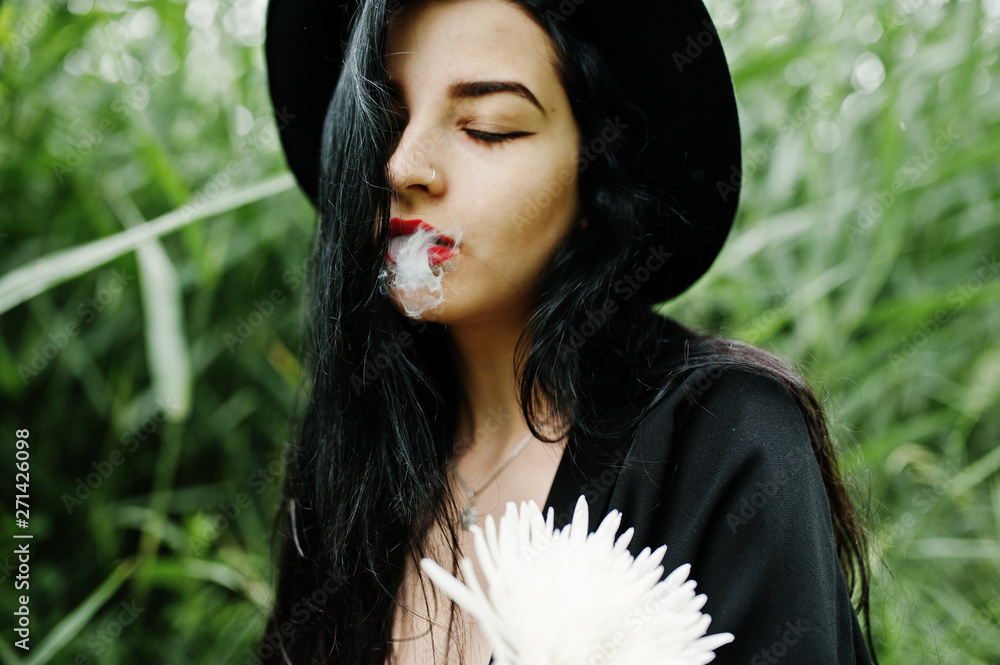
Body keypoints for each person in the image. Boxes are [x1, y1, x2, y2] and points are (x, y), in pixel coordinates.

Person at [261, 1, 876, 664]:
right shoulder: (359, 459)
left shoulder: (723, 439)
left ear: (595, 175)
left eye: (487, 128)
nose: (404, 165)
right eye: (384, 122)